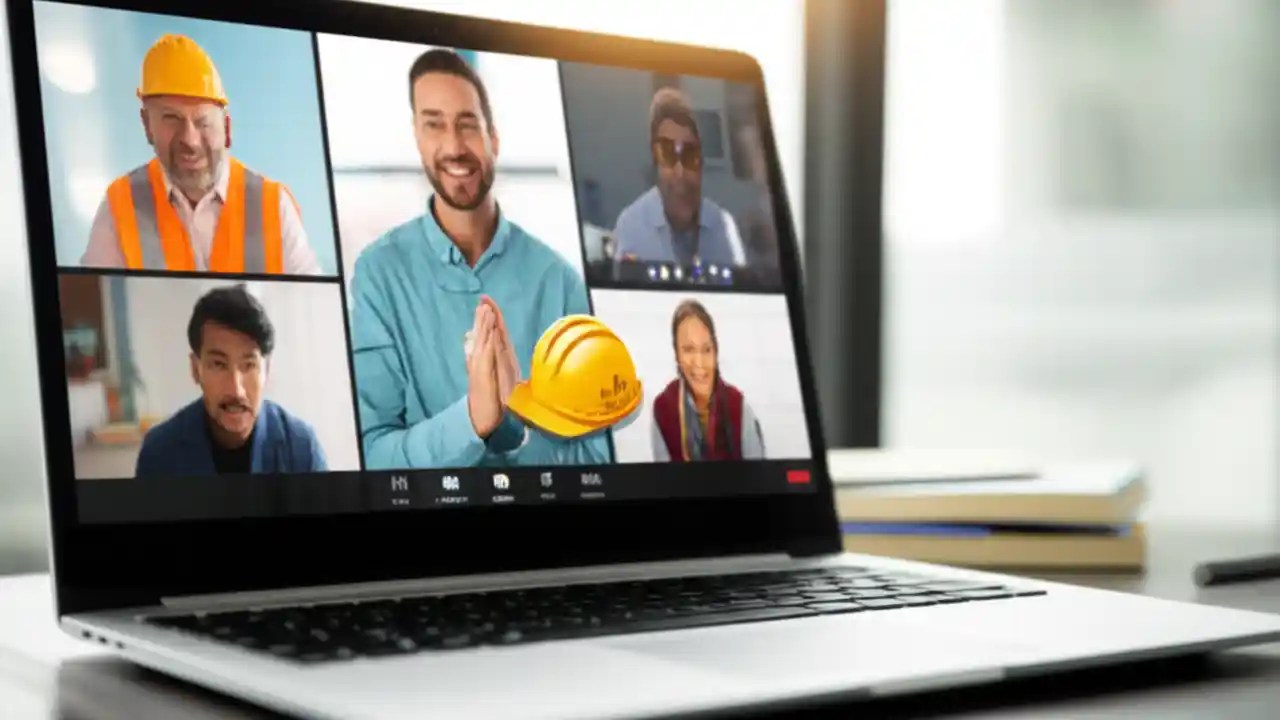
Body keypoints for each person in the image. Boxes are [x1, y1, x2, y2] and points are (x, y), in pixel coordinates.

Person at [350, 48, 610, 469]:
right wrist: (472, 420)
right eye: (434, 124)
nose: (453, 146)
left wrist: (517, 423)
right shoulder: (377, 275)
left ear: (494, 138)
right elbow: (373, 454)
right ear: (417, 137)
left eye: (468, 125)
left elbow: (598, 453)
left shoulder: (559, 282)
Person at [81, 34, 321, 275]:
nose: (190, 140)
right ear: (147, 125)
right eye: (171, 119)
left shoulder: (273, 205)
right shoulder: (119, 204)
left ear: (227, 128)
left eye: (203, 122)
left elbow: (316, 300)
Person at [135, 285, 327, 476]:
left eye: (249, 365)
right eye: (219, 365)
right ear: (195, 369)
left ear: (266, 370)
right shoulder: (160, 452)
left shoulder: (301, 447)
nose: (236, 390)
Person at [611, 87, 743, 270]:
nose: (680, 172)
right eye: (667, 154)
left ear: (702, 162)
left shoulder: (723, 227)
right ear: (655, 162)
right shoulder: (632, 225)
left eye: (690, 155)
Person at [651, 300, 764, 461]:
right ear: (677, 354)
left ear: (715, 352)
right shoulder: (663, 408)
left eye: (706, 350)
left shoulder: (737, 405)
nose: (699, 362)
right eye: (688, 349)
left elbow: (759, 478)